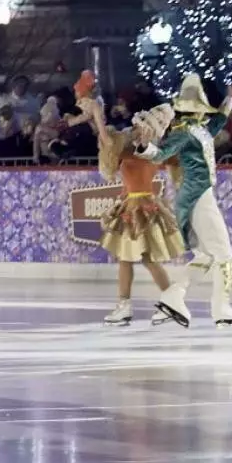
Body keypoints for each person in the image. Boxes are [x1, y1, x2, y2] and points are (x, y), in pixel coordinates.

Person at [136, 73, 232, 327]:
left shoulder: (199, 130)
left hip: (196, 195)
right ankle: (221, 308)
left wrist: (231, 97)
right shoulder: (184, 133)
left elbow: (218, 122)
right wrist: (146, 147)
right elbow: (162, 153)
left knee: (205, 257)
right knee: (224, 254)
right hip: (198, 196)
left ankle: (173, 297)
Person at [80, 94, 183, 325]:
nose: (134, 128)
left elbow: (108, 143)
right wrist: (95, 117)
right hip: (133, 204)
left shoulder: (148, 151)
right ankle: (158, 299)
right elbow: (109, 145)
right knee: (135, 258)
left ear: (150, 130)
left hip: (140, 206)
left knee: (137, 258)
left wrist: (97, 116)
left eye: (140, 125)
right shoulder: (136, 149)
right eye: (137, 124)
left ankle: (146, 302)